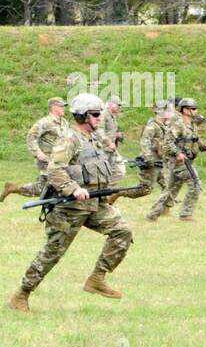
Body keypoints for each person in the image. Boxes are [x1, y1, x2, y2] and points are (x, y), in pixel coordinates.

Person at [8, 93, 132, 312]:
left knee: (122, 232)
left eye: (99, 114)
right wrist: (74, 188)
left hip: (95, 204)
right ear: (83, 116)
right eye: (95, 115)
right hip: (68, 208)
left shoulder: (94, 138)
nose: (99, 118)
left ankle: (97, 278)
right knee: (52, 253)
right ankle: (22, 294)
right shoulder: (70, 139)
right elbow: (54, 169)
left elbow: (103, 165)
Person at [145, 97, 206, 222]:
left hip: (184, 160)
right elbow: (168, 142)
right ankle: (186, 214)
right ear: (185, 110)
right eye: (193, 109)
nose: (196, 111)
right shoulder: (178, 124)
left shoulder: (191, 124)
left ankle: (152, 214)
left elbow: (194, 141)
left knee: (170, 191)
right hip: (179, 162)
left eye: (196, 108)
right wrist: (178, 153)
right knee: (195, 184)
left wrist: (205, 146)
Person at [1, 97, 68, 202]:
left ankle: (14, 188)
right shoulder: (44, 122)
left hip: (60, 160)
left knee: (54, 185)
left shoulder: (64, 123)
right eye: (61, 106)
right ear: (54, 107)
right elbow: (31, 137)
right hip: (46, 160)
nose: (64, 108)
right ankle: (14, 188)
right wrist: (38, 153)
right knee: (45, 188)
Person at [110, 99, 173, 203]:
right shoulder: (152, 125)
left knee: (167, 184)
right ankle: (118, 192)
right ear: (162, 112)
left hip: (160, 160)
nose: (172, 113)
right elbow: (145, 141)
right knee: (145, 189)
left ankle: (162, 211)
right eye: (169, 111)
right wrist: (148, 157)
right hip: (151, 161)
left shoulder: (163, 126)